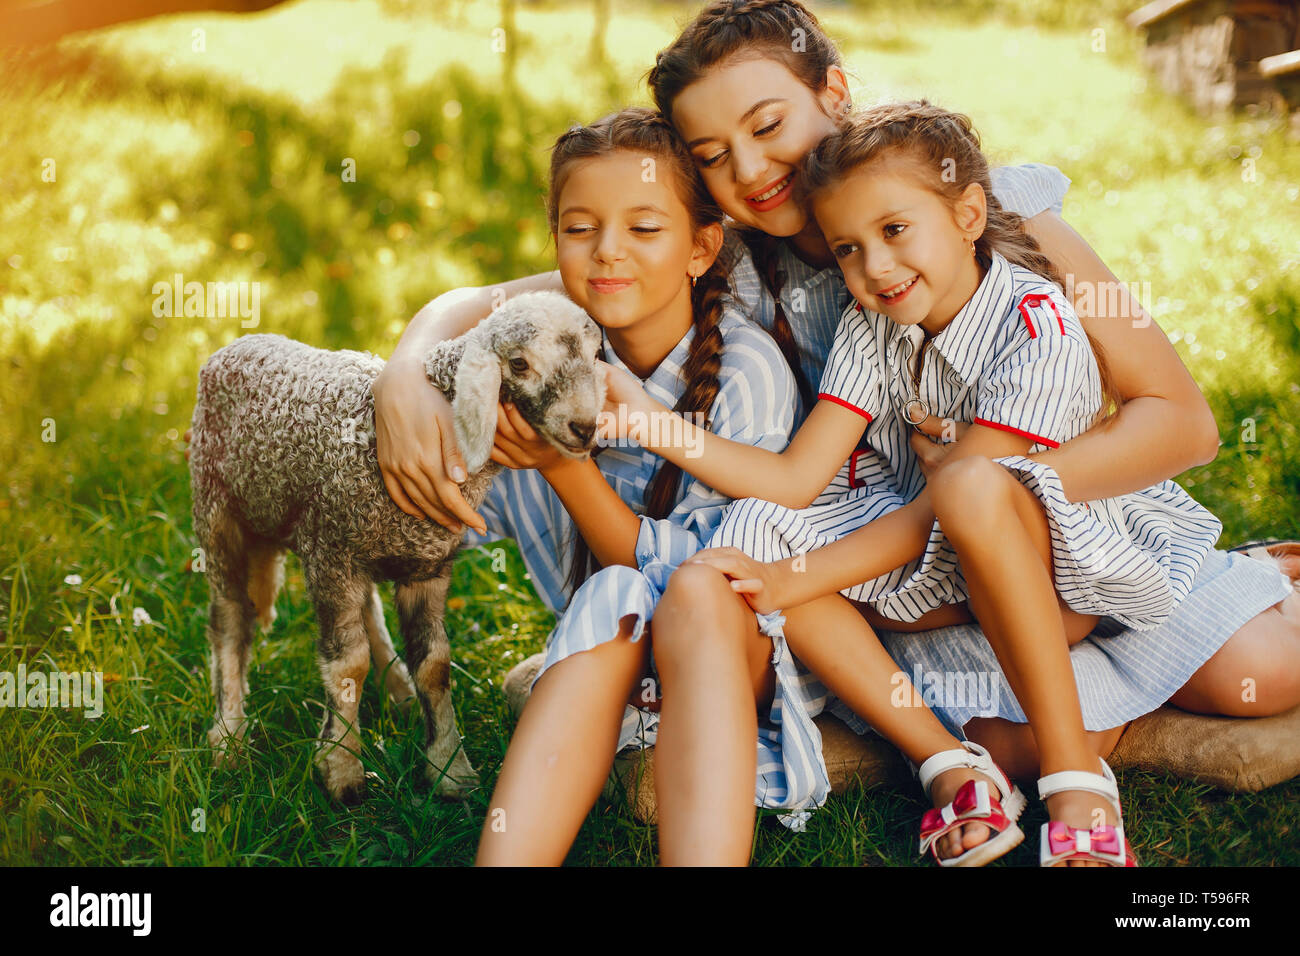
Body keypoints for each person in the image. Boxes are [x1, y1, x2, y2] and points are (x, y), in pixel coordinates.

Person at [372, 0, 1300, 865]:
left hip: (1050, 527)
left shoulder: (982, 213)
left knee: (1262, 672)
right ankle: (1044, 747)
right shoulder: (730, 261)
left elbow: (1182, 422)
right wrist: (411, 367)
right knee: (975, 717)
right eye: (713, 154)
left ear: (835, 93)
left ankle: (1170, 649)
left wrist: (996, 486)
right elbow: (497, 297)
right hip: (884, 580)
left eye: (769, 126)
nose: (749, 170)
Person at [472, 106, 801, 865]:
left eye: (644, 229)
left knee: (643, 587)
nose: (607, 252)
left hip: (731, 649)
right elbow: (445, 505)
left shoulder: (745, 376)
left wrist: (563, 466)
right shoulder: (533, 370)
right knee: (609, 599)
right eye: (580, 228)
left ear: (702, 247)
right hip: (621, 647)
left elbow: (689, 585)